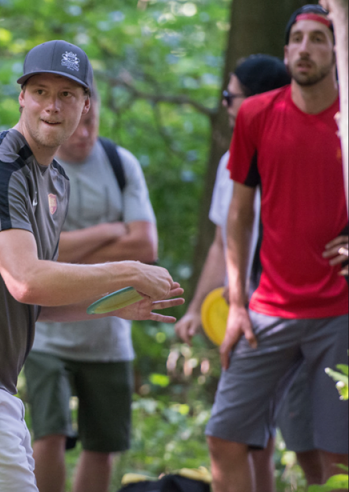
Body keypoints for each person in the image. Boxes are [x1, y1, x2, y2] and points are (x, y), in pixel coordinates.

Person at [0, 40, 184, 492]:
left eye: (67, 95)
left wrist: (109, 305)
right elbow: (26, 281)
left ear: (86, 104)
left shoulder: (53, 179)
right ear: (22, 97)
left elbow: (35, 302)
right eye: (41, 92)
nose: (53, 106)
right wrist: (128, 271)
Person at [204, 7, 349, 491]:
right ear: (285, 52)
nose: (305, 48)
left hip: (340, 311)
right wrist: (237, 301)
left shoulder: (348, 118)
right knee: (224, 436)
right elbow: (239, 216)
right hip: (268, 309)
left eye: (318, 39)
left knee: (337, 461)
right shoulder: (255, 115)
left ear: (337, 51)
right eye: (297, 40)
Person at [175, 55, 323, 489]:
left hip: (306, 310)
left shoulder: (312, 150)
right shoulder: (228, 165)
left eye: (230, 97)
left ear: (258, 102)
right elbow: (224, 245)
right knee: (244, 433)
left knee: (308, 437)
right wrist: (198, 306)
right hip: (250, 312)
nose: (225, 106)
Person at [25, 73, 158, 492]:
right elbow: (37, 255)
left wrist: (68, 250)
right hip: (46, 331)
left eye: (91, 121)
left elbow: (146, 245)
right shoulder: (36, 167)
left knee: (104, 443)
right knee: (49, 435)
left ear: (89, 109)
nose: (83, 133)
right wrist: (108, 232)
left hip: (109, 333)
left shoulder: (121, 164)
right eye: (76, 124)